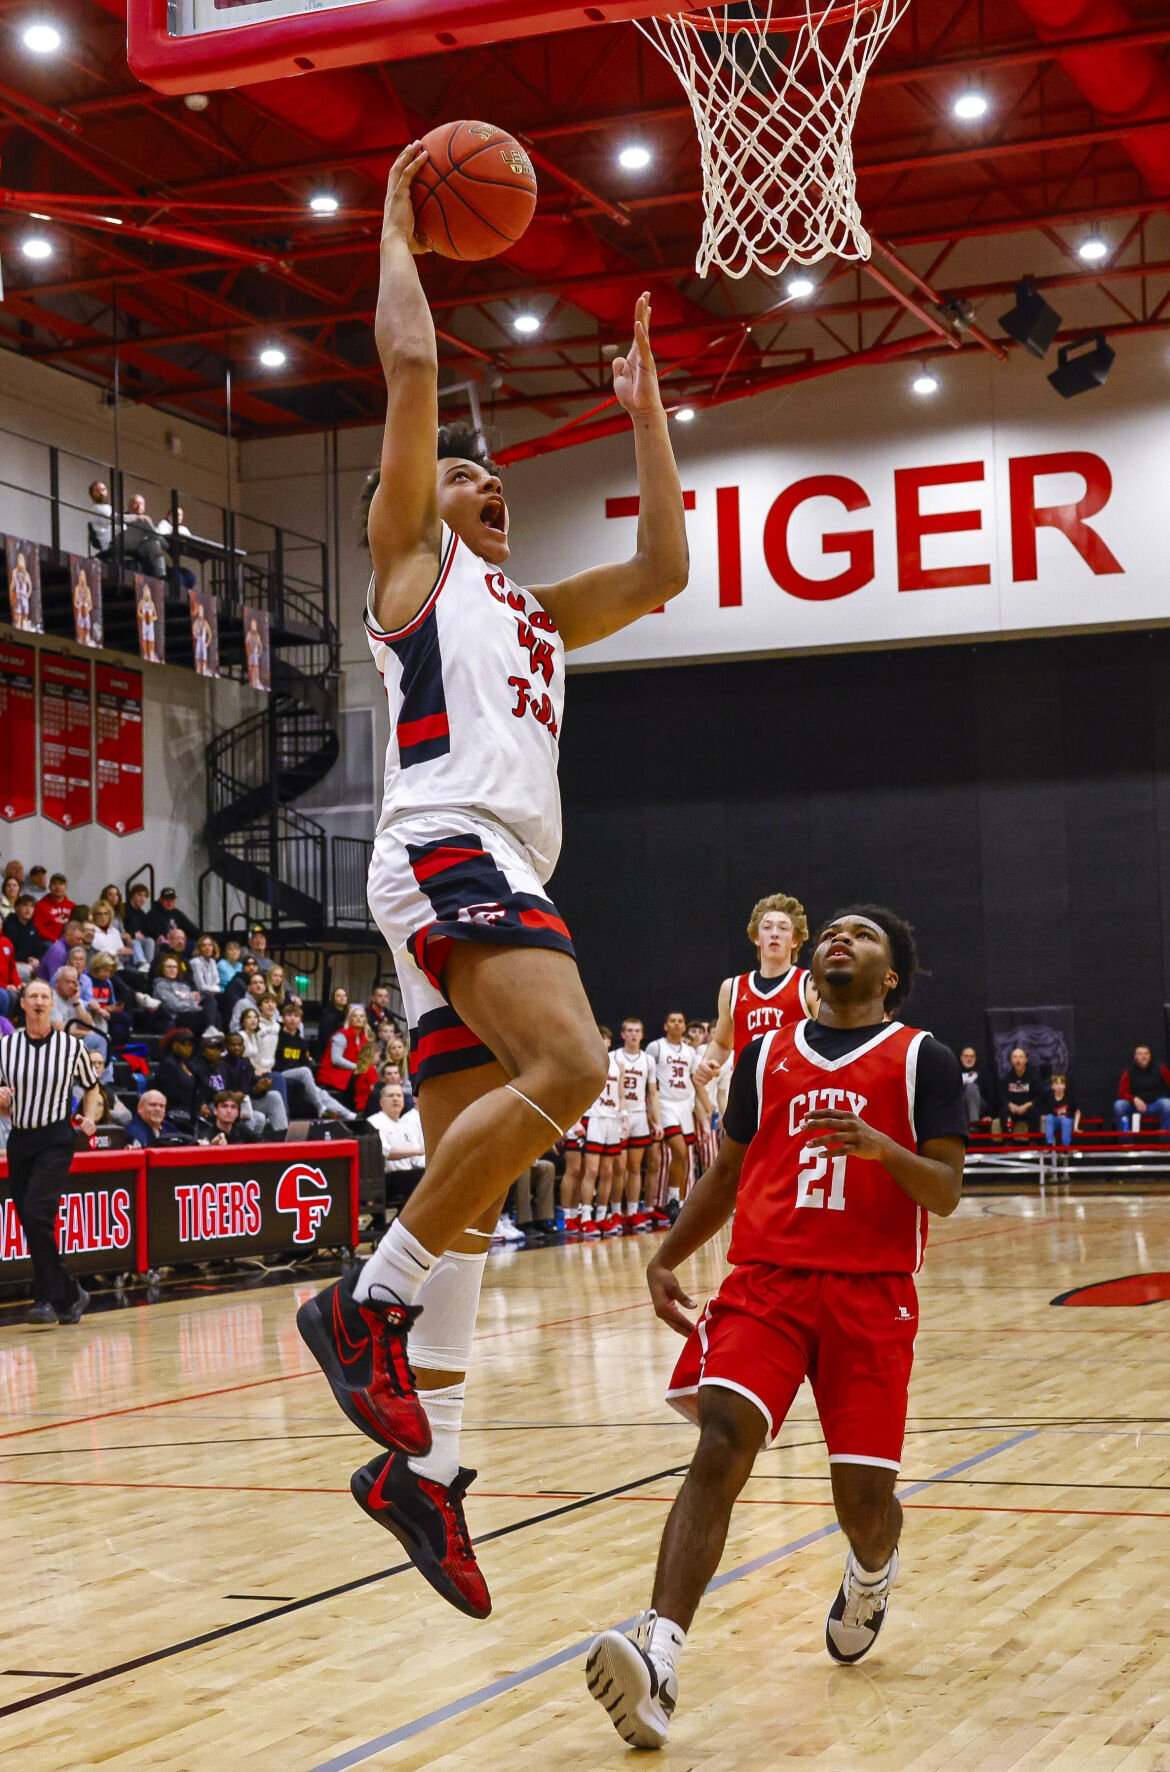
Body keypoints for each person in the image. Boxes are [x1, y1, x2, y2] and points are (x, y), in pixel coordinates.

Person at [295, 142, 688, 1622]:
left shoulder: (530, 609)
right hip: (446, 839)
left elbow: (661, 570)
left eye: (492, 471)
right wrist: (397, 223)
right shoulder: (415, 570)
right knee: (572, 1063)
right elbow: (410, 367)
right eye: (463, 471)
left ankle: (429, 1469)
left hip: (497, 858)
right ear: (413, 504)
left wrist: (645, 419)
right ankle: (363, 1306)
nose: (486, 478)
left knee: (470, 1187)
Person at [585, 907, 966, 1748]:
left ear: (890, 975)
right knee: (722, 1440)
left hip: (872, 1296)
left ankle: (872, 1569)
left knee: (862, 1504)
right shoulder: (764, 1056)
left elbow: (944, 1190)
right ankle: (658, 1657)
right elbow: (726, 1172)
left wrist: (882, 1150)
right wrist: (665, 1257)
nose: (839, 938)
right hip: (767, 1284)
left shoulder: (922, 1059)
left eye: (862, 935)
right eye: (831, 931)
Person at [0, 977, 104, 1324]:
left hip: (55, 1138)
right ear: (23, 1003)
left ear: (51, 1003)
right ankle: (70, 1294)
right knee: (29, 1220)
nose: (40, 1001)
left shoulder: (71, 1047)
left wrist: (90, 1117)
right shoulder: (5, 1046)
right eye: (33, 996)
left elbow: (92, 1087)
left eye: (45, 996)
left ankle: (45, 1299)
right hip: (19, 1139)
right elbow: (1, 1100)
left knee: (36, 1213)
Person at [694, 893, 816, 1094]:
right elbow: (722, 1045)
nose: (774, 933)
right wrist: (707, 1063)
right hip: (747, 1096)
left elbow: (829, 1040)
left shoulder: (809, 984)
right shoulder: (731, 988)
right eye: (767, 927)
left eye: (783, 928)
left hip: (793, 1094)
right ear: (757, 937)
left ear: (795, 940)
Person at [646, 1013, 712, 1222]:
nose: (676, 1023)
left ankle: (680, 1201)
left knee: (684, 1157)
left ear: (684, 1027)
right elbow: (649, 1082)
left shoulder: (690, 1052)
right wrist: (651, 1112)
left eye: (680, 1021)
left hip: (685, 1106)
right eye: (672, 1021)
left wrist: (708, 1107)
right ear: (665, 1026)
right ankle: (671, 1199)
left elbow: (696, 1082)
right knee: (679, 1150)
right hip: (664, 1104)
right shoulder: (656, 1047)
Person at [577, 1027, 629, 1240]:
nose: (603, 1041)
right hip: (594, 1119)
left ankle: (601, 1215)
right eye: (599, 1037)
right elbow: (578, 1093)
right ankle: (585, 1217)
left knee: (608, 1172)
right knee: (591, 1171)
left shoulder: (617, 1064)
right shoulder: (586, 1061)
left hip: (612, 1120)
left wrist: (624, 1118)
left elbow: (621, 1095)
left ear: (609, 1042)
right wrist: (576, 1121)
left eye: (606, 1038)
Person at [615, 1017, 662, 1233]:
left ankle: (634, 1211)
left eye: (637, 1031)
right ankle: (615, 1212)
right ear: (623, 1034)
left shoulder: (648, 1060)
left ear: (642, 1035)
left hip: (640, 1116)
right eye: (630, 1031)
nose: (633, 1034)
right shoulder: (614, 1057)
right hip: (618, 1116)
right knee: (618, 1168)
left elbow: (652, 1094)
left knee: (635, 1168)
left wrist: (657, 1121)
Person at [273, 1001, 356, 1121]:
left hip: (298, 1075)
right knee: (305, 1071)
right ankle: (320, 1108)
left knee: (321, 1093)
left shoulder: (302, 1042)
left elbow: (305, 1062)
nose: (292, 1019)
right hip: (280, 1074)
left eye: (296, 1016)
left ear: (300, 1020)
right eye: (289, 1015)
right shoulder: (277, 1038)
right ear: (283, 1018)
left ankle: (347, 1114)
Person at [368, 1080, 426, 1183]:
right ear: (382, 1102)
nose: (395, 1099)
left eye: (399, 1096)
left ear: (403, 1101)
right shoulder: (374, 1122)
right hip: (388, 1179)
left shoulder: (406, 1126)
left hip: (409, 1176)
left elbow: (418, 1159)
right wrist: (416, 1151)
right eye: (390, 1096)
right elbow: (383, 1151)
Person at [1114, 1045, 1170, 1133]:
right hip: (1135, 1107)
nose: (1144, 1056)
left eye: (1146, 1053)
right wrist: (1134, 1099)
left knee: (1167, 1104)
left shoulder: (1161, 1069)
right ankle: (1125, 1139)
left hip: (1155, 1105)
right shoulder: (1128, 1072)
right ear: (1135, 1057)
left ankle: (1165, 1139)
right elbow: (1122, 1093)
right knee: (1119, 1105)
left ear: (1150, 1056)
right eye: (1140, 1054)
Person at [1002, 1045, 1043, 1138]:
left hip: (1027, 1108)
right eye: (1015, 1057)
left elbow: (1039, 1096)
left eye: (1020, 1057)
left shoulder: (1034, 1077)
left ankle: (1033, 1141)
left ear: (1025, 1060)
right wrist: (1010, 1105)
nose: (1018, 1060)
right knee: (1004, 1111)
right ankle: (1008, 1142)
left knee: (1035, 1111)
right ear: (1011, 1060)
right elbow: (1002, 1096)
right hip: (1013, 1109)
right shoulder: (1006, 1078)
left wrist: (1026, 1105)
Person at [4, 894, 45, 981]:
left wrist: (37, 959)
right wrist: (27, 960)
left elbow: (38, 947)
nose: (28, 909)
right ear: (17, 908)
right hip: (12, 964)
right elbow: (10, 952)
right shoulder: (9, 925)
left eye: (31, 906)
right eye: (25, 905)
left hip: (30, 964)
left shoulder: (33, 925)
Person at [33, 873, 75, 944]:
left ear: (66, 887)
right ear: (49, 887)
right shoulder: (40, 905)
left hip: (69, 941)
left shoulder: (72, 906)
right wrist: (55, 940)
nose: (57, 887)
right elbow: (39, 927)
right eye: (54, 884)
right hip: (49, 942)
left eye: (61, 884)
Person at [1042, 1073, 1079, 1148]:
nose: (1059, 1086)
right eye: (1057, 1084)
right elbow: (1046, 1116)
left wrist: (1076, 1127)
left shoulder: (1070, 1097)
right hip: (1055, 1122)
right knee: (1049, 1117)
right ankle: (1049, 1144)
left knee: (1065, 1121)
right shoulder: (1049, 1098)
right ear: (1052, 1086)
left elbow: (1077, 1112)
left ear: (1065, 1086)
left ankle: (1065, 1147)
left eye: (1062, 1084)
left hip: (1067, 1121)